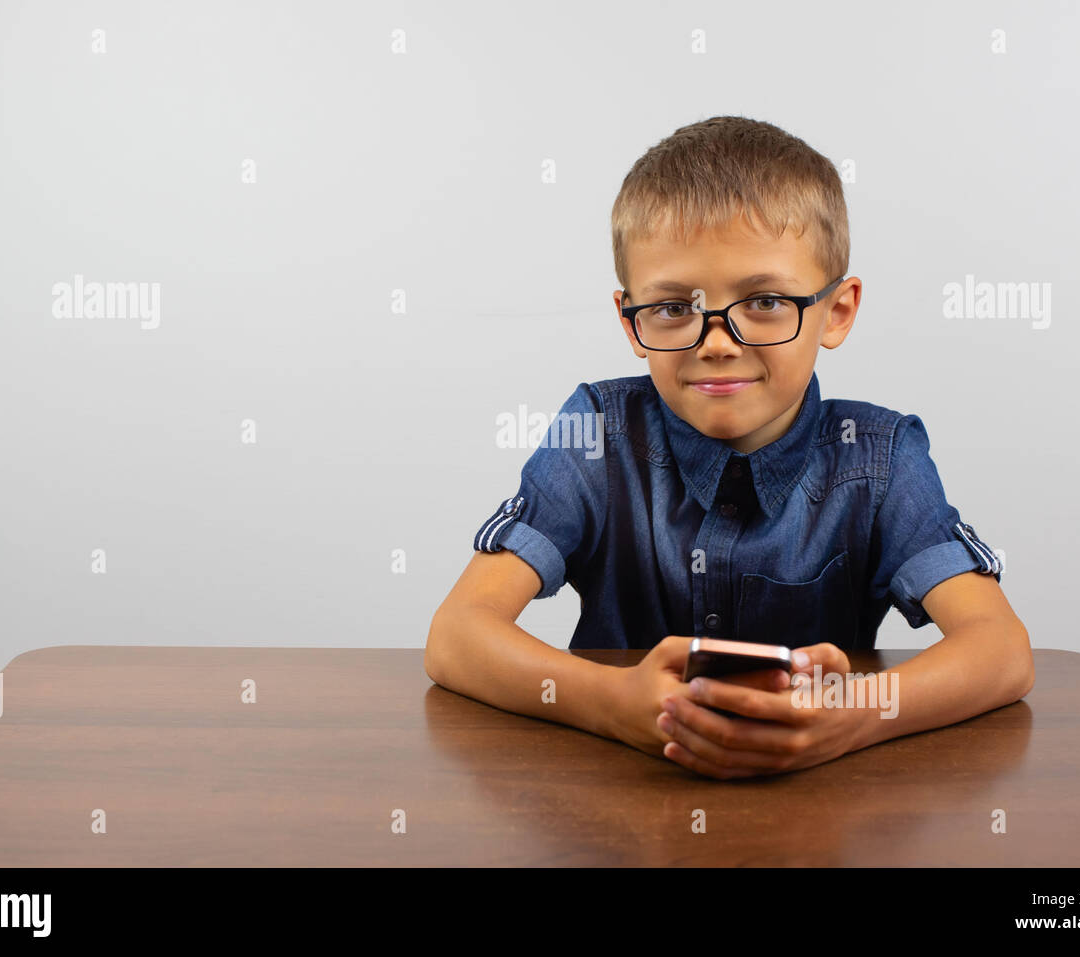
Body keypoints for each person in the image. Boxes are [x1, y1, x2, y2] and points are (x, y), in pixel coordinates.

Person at [425, 116, 1033, 779]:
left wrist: (856, 711)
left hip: (819, 817)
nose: (716, 340)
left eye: (765, 300)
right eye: (672, 308)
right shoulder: (596, 433)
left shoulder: (882, 458)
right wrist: (611, 702)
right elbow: (457, 635)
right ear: (630, 320)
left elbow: (1001, 649)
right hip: (623, 805)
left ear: (837, 311)